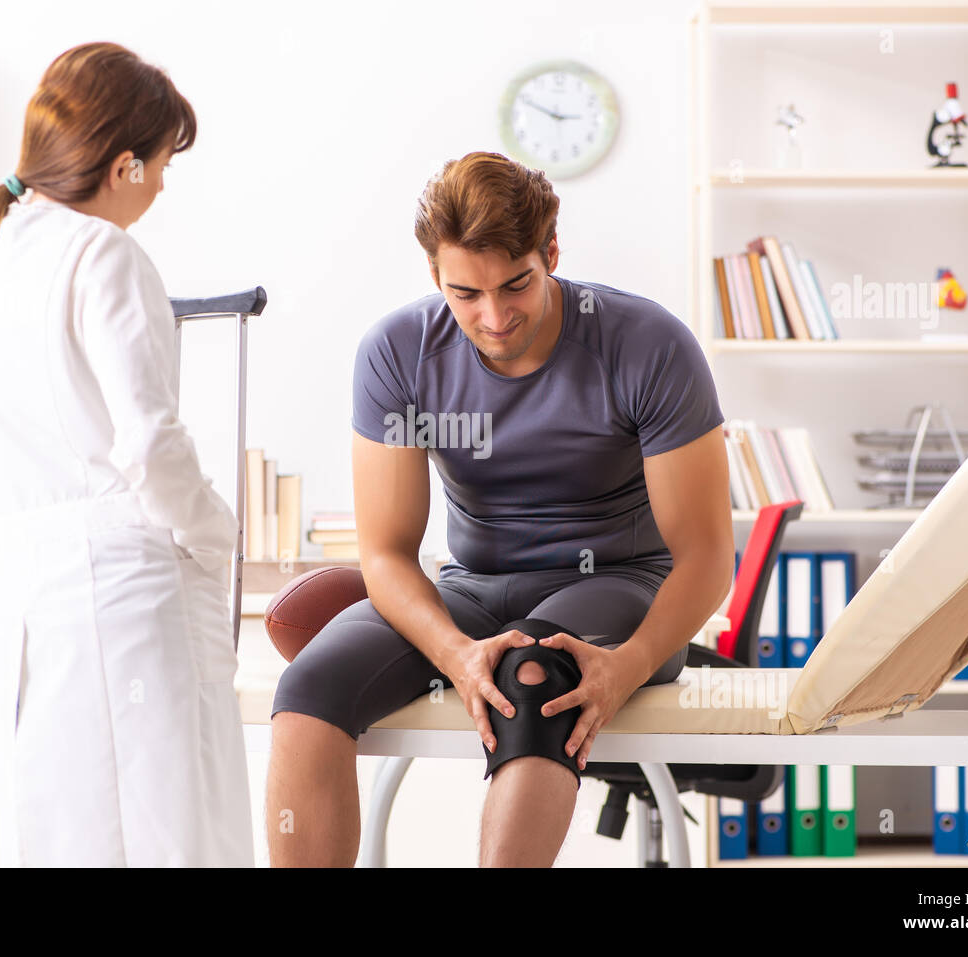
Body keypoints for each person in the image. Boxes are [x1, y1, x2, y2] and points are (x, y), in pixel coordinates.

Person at [0, 42, 252, 867]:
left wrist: (12, 509)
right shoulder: (104, 254)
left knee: (68, 833)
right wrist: (215, 532)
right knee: (171, 830)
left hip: (34, 588)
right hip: (130, 587)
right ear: (125, 164)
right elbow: (148, 441)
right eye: (163, 164)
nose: (164, 187)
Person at [266, 151, 734, 867]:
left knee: (535, 679)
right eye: (466, 294)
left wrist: (630, 664)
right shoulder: (398, 353)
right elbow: (387, 553)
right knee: (309, 685)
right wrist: (454, 654)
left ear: (550, 251)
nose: (494, 316)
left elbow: (705, 557)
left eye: (516, 284)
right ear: (435, 277)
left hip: (623, 586)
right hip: (474, 589)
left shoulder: (646, 344)